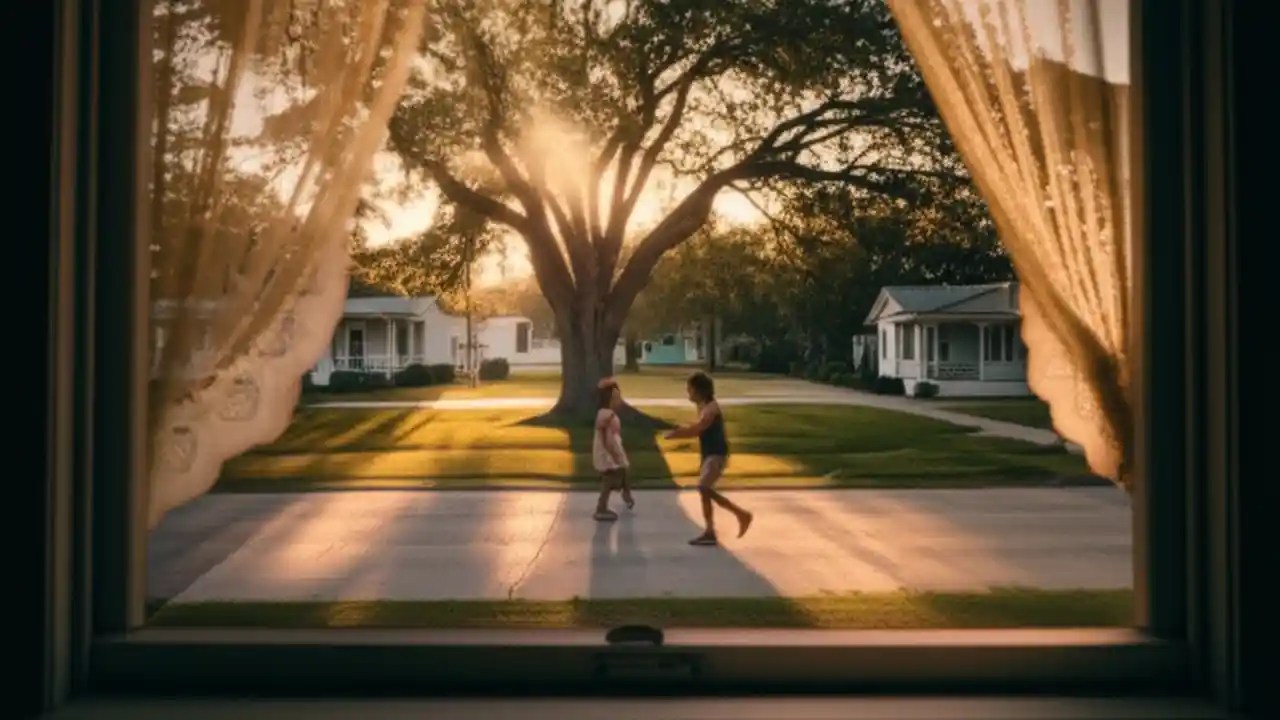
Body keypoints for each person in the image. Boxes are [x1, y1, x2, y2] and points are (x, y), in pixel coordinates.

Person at [664, 371, 752, 545]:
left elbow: (698, 429)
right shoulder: (704, 407)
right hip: (708, 454)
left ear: (700, 390)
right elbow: (698, 428)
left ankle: (741, 514)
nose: (688, 393)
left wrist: (676, 434)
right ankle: (710, 532)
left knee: (703, 488)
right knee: (704, 491)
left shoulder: (711, 408)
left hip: (716, 454)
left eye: (690, 390)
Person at [592, 378, 634, 521]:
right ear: (610, 398)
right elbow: (606, 438)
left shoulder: (606, 413)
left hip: (612, 448)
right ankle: (602, 507)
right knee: (611, 477)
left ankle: (625, 493)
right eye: (617, 397)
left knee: (621, 472)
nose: (619, 400)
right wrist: (613, 454)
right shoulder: (607, 415)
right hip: (608, 451)